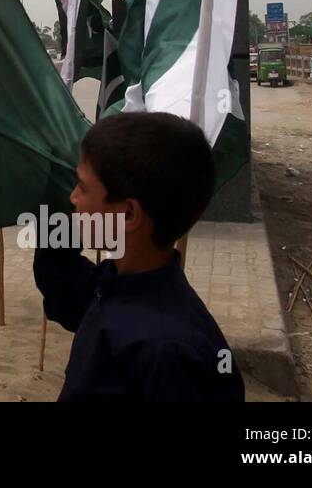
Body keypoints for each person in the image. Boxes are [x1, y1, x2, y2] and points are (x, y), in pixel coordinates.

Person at [33, 111, 244, 401]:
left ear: (129, 214)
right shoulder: (116, 286)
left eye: (82, 186)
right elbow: (60, 282)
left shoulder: (169, 352)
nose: (72, 198)